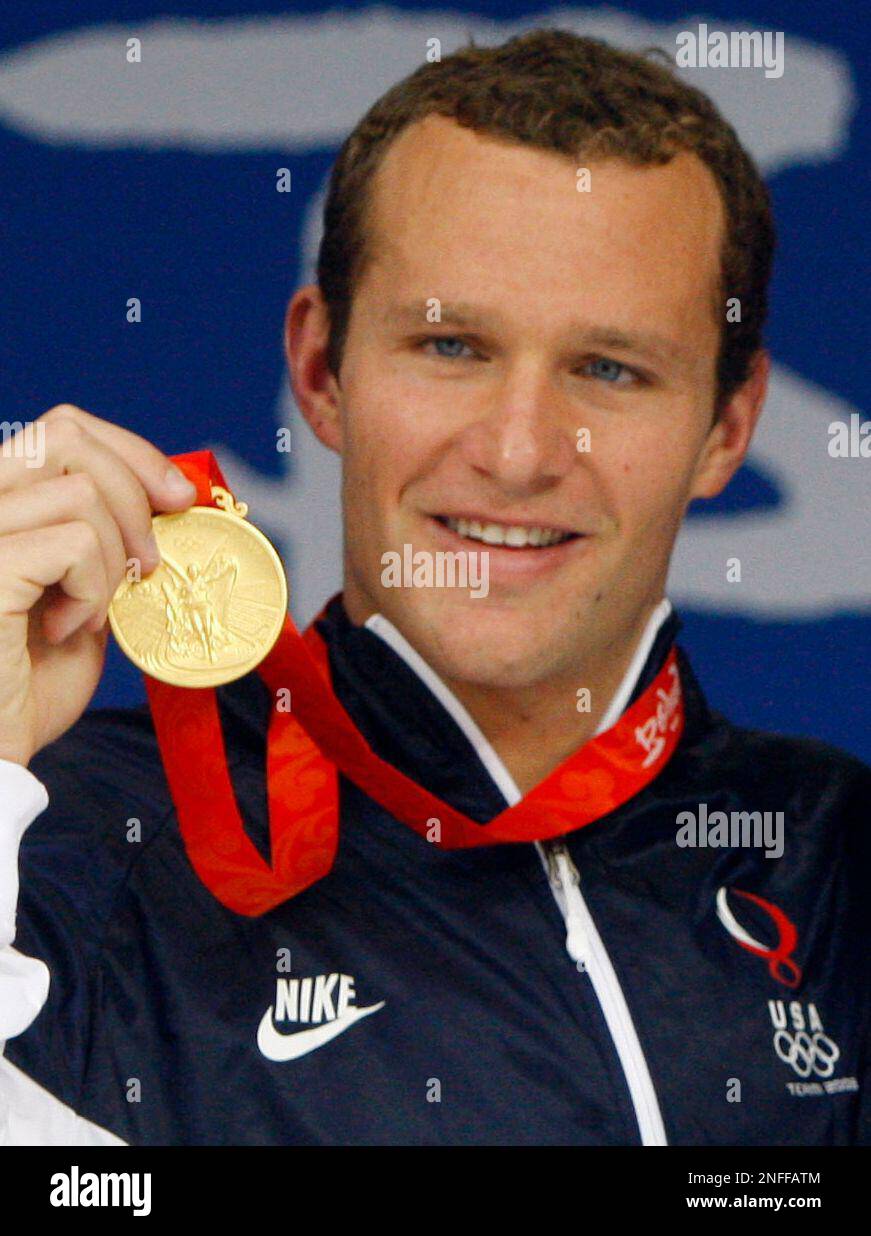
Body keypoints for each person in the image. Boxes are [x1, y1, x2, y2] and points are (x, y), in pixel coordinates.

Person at [0, 29, 867, 1147]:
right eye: (451, 345)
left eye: (610, 369)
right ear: (320, 370)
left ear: (726, 427)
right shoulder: (73, 841)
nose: (517, 454)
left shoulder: (834, 855)